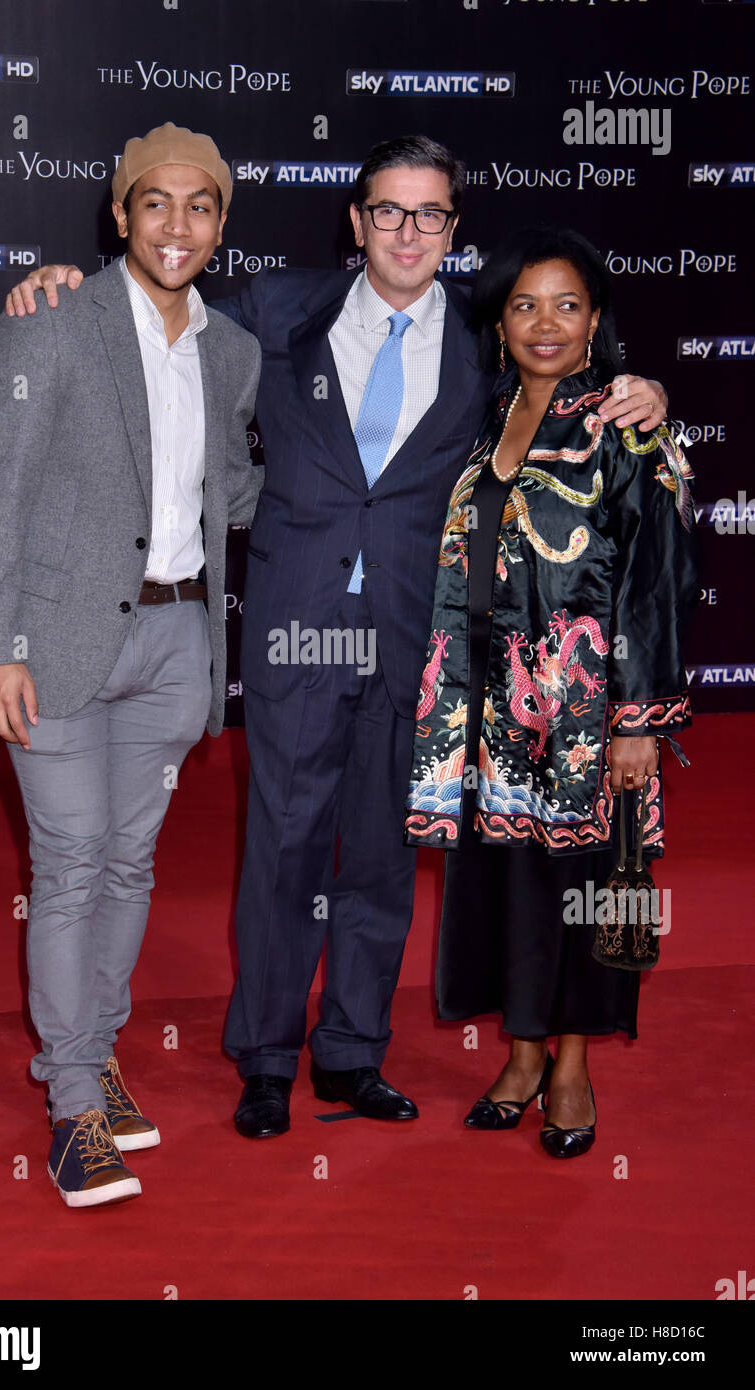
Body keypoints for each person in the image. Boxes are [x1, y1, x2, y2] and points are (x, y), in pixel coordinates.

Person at [5, 135, 668, 1141]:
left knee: (384, 857)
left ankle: (353, 1050)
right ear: (356, 222)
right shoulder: (278, 309)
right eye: (388, 211)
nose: (407, 232)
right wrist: (64, 284)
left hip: (419, 642)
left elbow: (563, 383)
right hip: (295, 628)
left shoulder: (484, 339)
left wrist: (646, 391)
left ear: (452, 230)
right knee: (283, 847)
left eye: (429, 214)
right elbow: (154, 314)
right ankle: (266, 1057)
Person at [0, 124, 262, 1205]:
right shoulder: (49, 321)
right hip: (57, 643)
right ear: (121, 213)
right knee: (72, 862)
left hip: (178, 642)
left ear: (220, 224)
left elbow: (232, 488)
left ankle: (98, 1050)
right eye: (156, 202)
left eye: (200, 206)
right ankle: (74, 1101)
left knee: (130, 863)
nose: (178, 225)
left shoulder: (232, 349)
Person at [404, 226, 697, 1158]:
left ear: (595, 320)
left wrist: (636, 719)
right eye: (524, 305)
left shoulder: (625, 428)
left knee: (590, 888)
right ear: (498, 323)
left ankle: (572, 1067)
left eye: (566, 305)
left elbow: (655, 581)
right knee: (513, 886)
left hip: (586, 715)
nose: (544, 323)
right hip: (487, 710)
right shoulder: (480, 419)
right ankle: (523, 1053)